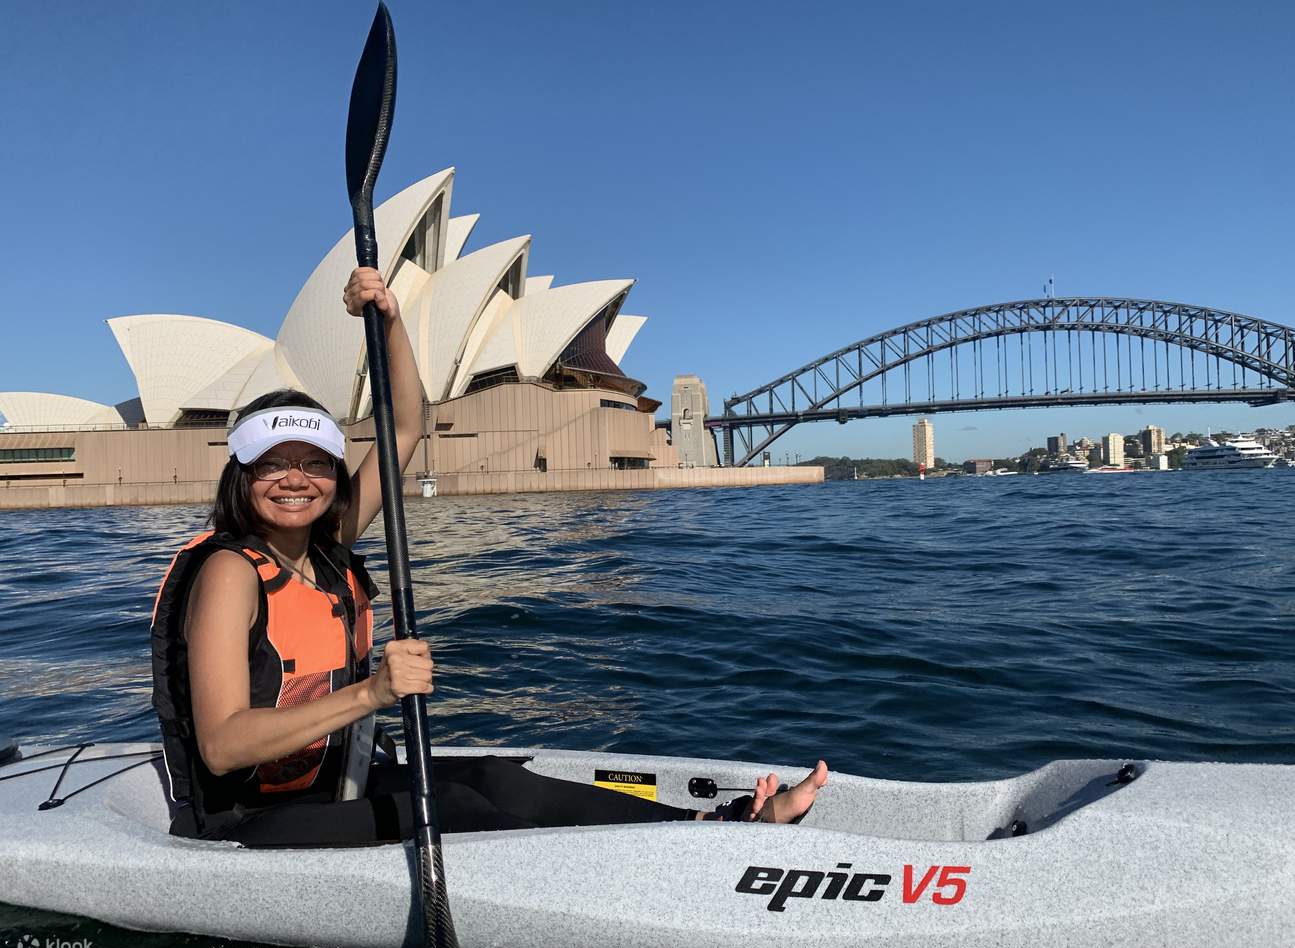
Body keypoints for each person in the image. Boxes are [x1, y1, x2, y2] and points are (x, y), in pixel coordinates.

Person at [151, 266, 828, 848]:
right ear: (240, 475)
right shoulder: (230, 572)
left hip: (332, 783)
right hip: (251, 818)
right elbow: (223, 743)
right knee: (462, 809)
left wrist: (388, 314)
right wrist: (373, 692)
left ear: (333, 475)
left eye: (311, 463)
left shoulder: (326, 548)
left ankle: (713, 823)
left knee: (495, 778)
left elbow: (408, 422)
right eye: (271, 464)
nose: (294, 479)